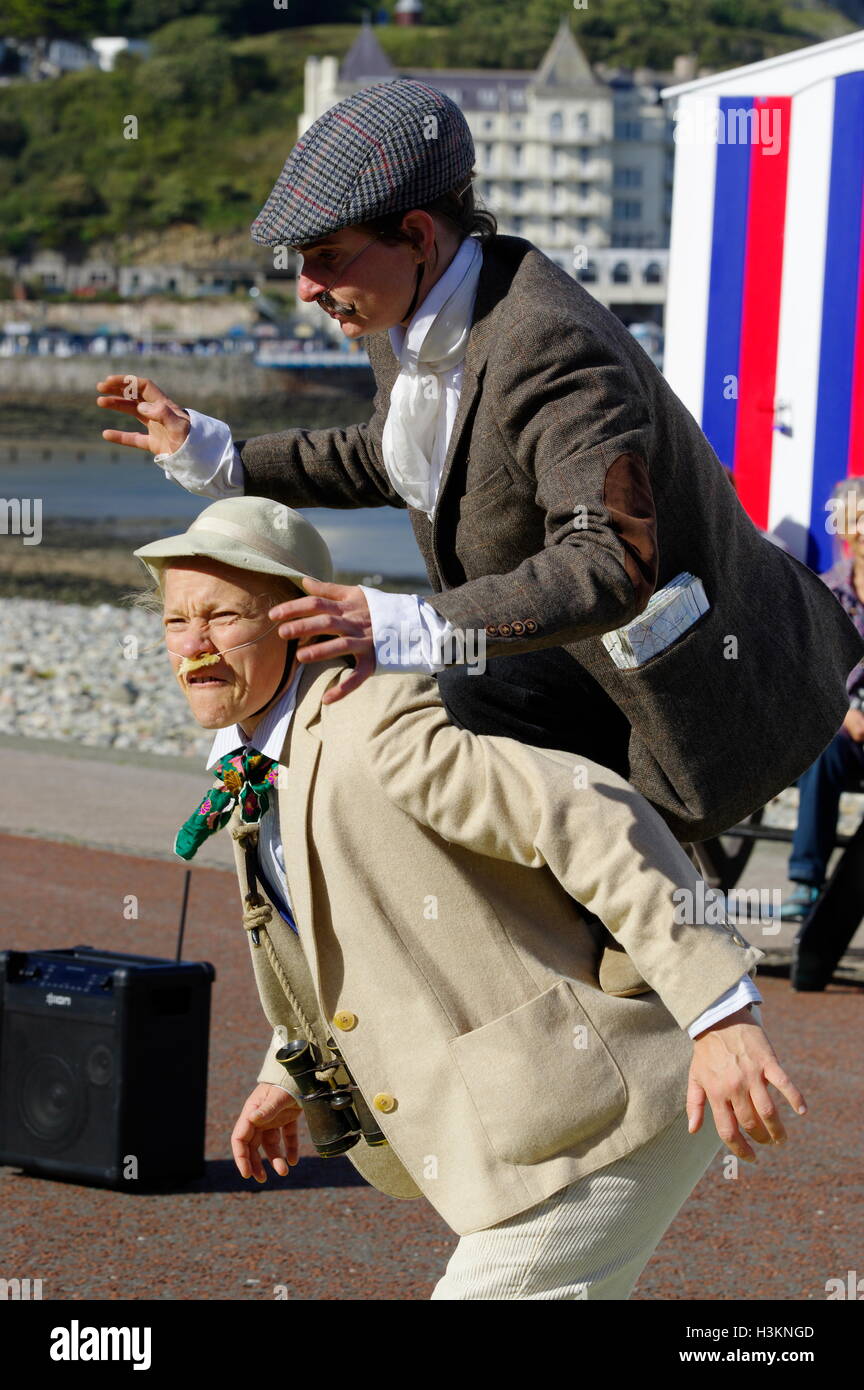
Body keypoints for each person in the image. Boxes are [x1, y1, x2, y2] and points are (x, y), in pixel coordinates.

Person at [98, 77, 864, 847]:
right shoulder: (401, 310)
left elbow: (609, 561)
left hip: (690, 699)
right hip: (559, 658)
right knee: (433, 717)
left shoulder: (551, 342)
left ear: (418, 235)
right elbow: (393, 456)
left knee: (456, 708)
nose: (305, 287)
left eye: (325, 257)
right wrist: (218, 455)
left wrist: (397, 619)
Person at [129, 495, 809, 1301]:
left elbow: (581, 813)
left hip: (614, 1104)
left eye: (222, 618)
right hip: (539, 1130)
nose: (194, 646)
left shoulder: (372, 721)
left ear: (297, 621)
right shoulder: (255, 762)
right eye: (177, 621)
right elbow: (335, 932)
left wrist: (719, 1010)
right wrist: (285, 1069)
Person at [780, 480, 864, 921]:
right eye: (858, 519)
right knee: (823, 749)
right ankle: (806, 881)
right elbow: (807, 670)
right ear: (845, 530)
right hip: (847, 727)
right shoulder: (827, 591)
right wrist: (845, 712)